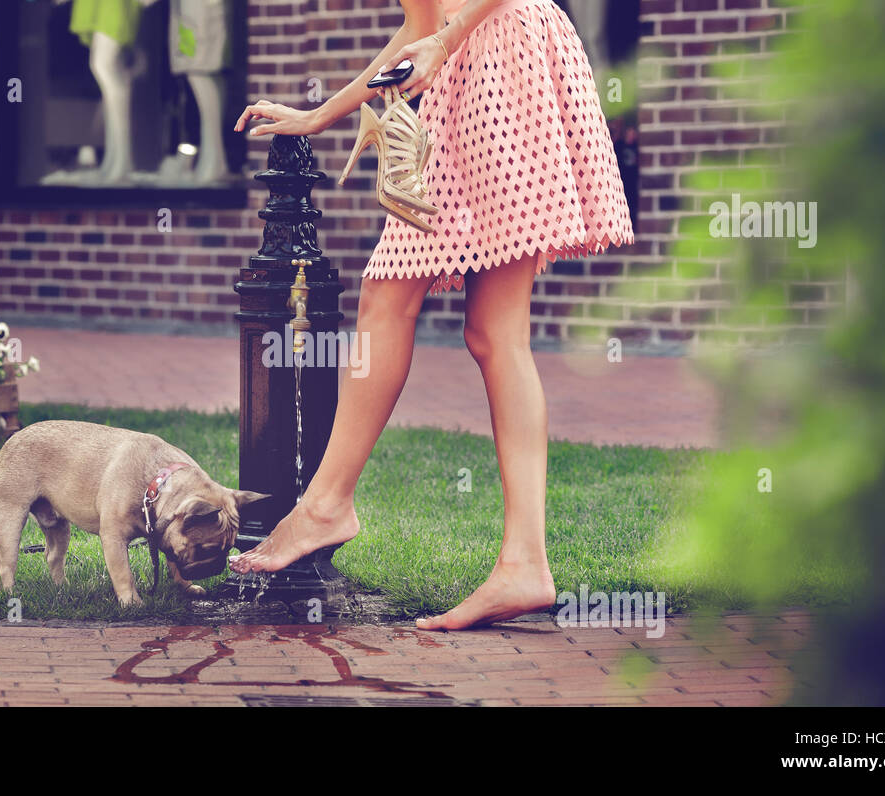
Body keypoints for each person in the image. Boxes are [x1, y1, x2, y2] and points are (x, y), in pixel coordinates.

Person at [229, 0, 634, 630]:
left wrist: (447, 41)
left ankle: (329, 505)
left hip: (503, 64)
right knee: (490, 333)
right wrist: (320, 115)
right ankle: (522, 563)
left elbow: (439, 28)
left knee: (400, 298)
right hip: (470, 67)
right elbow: (421, 24)